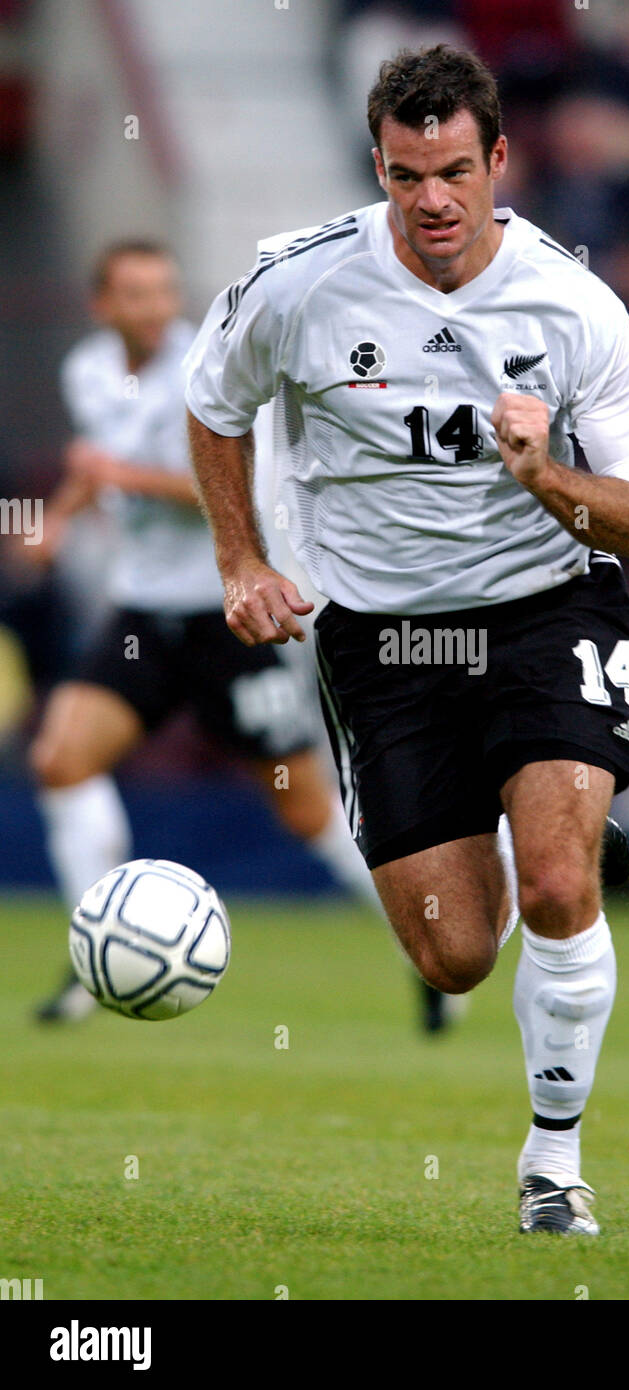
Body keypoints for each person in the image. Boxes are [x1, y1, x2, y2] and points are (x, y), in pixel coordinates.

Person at [185, 45, 629, 1236]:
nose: (434, 199)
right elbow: (214, 406)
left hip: (541, 606)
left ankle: (552, 1166)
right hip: (379, 635)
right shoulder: (297, 284)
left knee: (564, 884)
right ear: (379, 166)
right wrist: (240, 559)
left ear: (498, 161)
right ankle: (517, 829)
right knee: (455, 953)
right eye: (408, 174)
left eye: (455, 169)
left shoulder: (572, 305)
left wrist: (543, 471)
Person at [27, 240, 403, 1024]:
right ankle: (95, 952)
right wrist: (57, 521)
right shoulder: (88, 370)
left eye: (164, 289)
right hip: (142, 615)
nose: (155, 306)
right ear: (103, 305)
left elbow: (215, 491)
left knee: (307, 811)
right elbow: (99, 465)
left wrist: (112, 477)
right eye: (135, 293)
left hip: (228, 615)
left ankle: (426, 949)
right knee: (61, 760)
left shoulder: (204, 369)